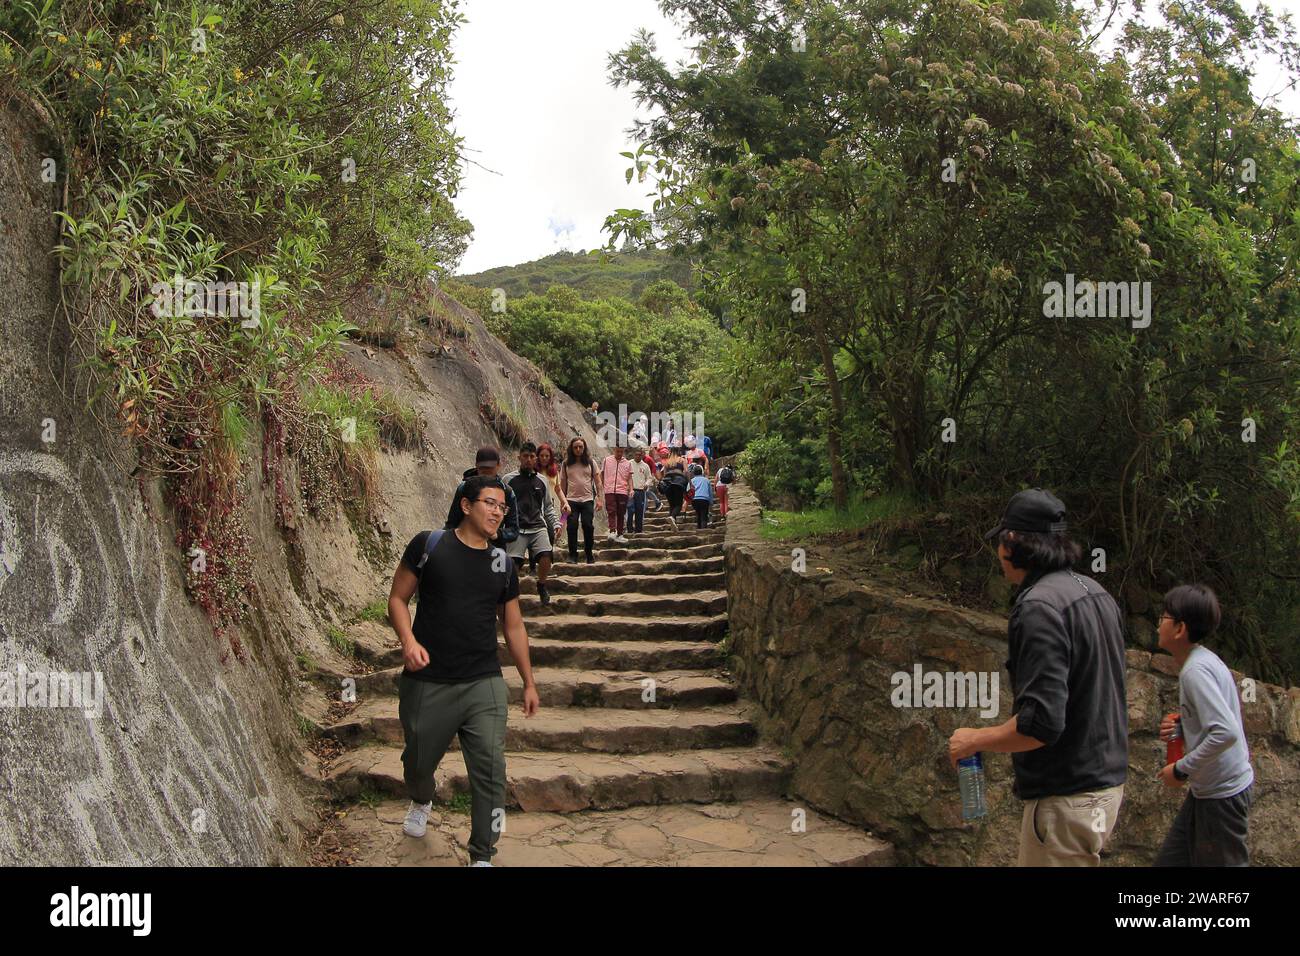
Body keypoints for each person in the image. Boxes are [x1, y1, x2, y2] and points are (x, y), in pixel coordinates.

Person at [948, 488, 1127, 867]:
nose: (997, 554)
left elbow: (1041, 724)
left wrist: (974, 739)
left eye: (1000, 541)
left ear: (1012, 542)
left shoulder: (1038, 609)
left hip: (1066, 800)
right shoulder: (1096, 593)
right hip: (1105, 787)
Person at [387, 475, 540, 867]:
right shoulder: (430, 545)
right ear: (467, 505)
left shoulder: (503, 564)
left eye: (502, 507)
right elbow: (398, 599)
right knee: (418, 762)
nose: (497, 511)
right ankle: (422, 798)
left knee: (491, 770)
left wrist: (528, 681)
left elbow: (514, 626)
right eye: (490, 503)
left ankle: (482, 855)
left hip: (483, 682)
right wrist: (408, 642)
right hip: (428, 680)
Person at [1153, 584, 1254, 866]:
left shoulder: (1195, 671)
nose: (1158, 623)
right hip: (1206, 793)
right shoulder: (1203, 662)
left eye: (1164, 617)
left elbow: (1226, 732)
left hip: (1222, 796)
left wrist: (1181, 770)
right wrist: (1183, 725)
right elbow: (1217, 721)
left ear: (1179, 629)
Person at [501, 442, 559, 605]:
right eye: (525, 456)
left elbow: (548, 507)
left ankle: (541, 585)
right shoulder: (508, 480)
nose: (528, 460)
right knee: (513, 565)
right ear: (519, 458)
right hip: (516, 528)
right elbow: (502, 505)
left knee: (547, 556)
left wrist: (555, 523)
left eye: (532, 456)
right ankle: (510, 594)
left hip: (537, 526)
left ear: (536, 459)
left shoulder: (542, 481)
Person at [445, 446, 518, 548]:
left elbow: (514, 530)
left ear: (498, 465)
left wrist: (496, 534)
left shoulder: (507, 492)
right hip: (464, 546)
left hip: (493, 550)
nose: (486, 473)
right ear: (476, 466)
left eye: (490, 468)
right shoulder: (464, 488)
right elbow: (452, 523)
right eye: (482, 468)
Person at [561, 436, 600, 564]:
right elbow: (563, 483)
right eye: (575, 447)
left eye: (580, 447)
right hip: (571, 500)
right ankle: (573, 555)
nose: (578, 449)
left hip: (587, 499)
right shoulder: (566, 464)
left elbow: (598, 482)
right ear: (571, 449)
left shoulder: (590, 462)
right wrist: (563, 502)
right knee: (571, 526)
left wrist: (600, 498)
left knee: (588, 525)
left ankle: (589, 553)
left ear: (584, 448)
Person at [536, 442, 569, 558]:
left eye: (547, 456)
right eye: (542, 456)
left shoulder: (554, 472)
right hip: (535, 505)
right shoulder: (534, 471)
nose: (544, 458)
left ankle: (547, 561)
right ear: (537, 456)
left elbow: (558, 489)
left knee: (551, 532)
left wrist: (565, 502)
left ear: (550, 458)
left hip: (550, 505)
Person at [601, 445, 633, 543]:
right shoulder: (606, 460)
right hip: (609, 490)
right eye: (617, 451)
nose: (619, 454)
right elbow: (602, 474)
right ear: (614, 450)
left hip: (622, 491)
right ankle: (612, 531)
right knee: (611, 510)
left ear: (623, 451)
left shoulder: (627, 463)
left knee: (621, 513)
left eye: (621, 452)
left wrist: (631, 489)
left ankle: (620, 534)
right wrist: (602, 486)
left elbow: (629, 478)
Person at [626, 448, 654, 535]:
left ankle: (638, 529)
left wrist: (647, 484)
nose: (638, 456)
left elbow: (649, 477)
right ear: (634, 454)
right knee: (630, 509)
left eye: (640, 455)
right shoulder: (629, 463)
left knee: (639, 510)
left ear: (642, 455)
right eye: (636, 454)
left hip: (641, 491)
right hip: (631, 490)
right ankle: (629, 529)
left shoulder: (645, 466)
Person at [660, 454, 688, 531]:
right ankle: (672, 517)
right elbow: (686, 471)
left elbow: (664, 474)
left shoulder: (667, 462)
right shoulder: (682, 460)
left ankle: (673, 525)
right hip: (678, 483)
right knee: (678, 504)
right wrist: (688, 482)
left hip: (667, 483)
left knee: (672, 505)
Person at [688, 463, 713, 529]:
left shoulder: (691, 481)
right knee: (704, 514)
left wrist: (689, 500)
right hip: (704, 499)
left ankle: (699, 528)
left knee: (698, 514)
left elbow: (688, 490)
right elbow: (710, 492)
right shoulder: (706, 480)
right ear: (702, 472)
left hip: (694, 499)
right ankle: (703, 529)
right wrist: (711, 502)